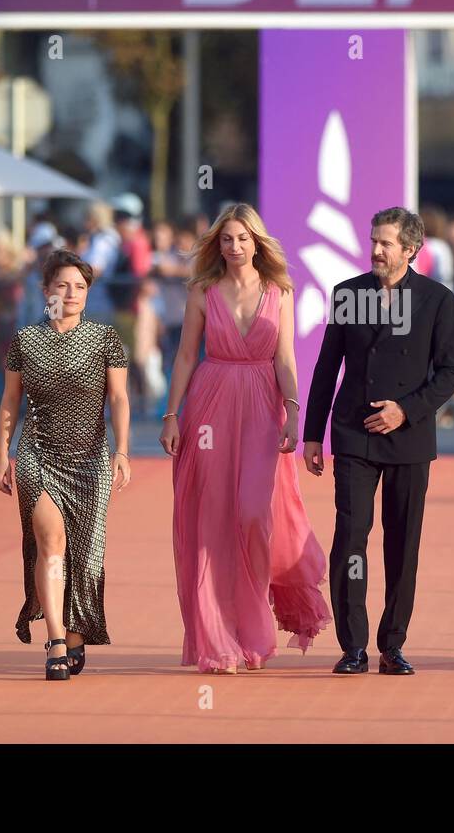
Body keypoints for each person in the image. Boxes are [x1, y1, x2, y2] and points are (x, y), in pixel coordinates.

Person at [163, 204, 330, 674]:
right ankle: (221, 638)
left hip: (262, 407)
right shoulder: (202, 290)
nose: (233, 247)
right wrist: (172, 415)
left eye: (241, 238)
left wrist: (294, 413)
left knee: (254, 515)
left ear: (257, 242)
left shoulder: (281, 291)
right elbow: (184, 357)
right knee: (212, 523)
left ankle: (251, 624)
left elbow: (286, 360)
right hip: (209, 409)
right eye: (226, 240)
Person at [304, 207, 454, 676]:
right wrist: (314, 433)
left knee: (402, 542)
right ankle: (352, 646)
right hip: (354, 433)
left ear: (410, 249)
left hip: (409, 438)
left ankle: (392, 645)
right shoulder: (347, 294)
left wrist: (406, 410)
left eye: (386, 243)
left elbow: (452, 370)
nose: (376, 250)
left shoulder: (437, 299)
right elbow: (325, 368)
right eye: (373, 240)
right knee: (350, 540)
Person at [0, 249, 130, 681]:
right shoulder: (25, 340)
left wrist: (122, 451)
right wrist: (3, 454)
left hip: (90, 459)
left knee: (87, 558)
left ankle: (76, 629)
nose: (71, 294)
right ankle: (55, 638)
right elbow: (10, 402)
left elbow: (119, 399)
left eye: (80, 287)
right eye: (62, 286)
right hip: (38, 455)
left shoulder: (105, 338)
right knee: (50, 542)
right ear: (46, 290)